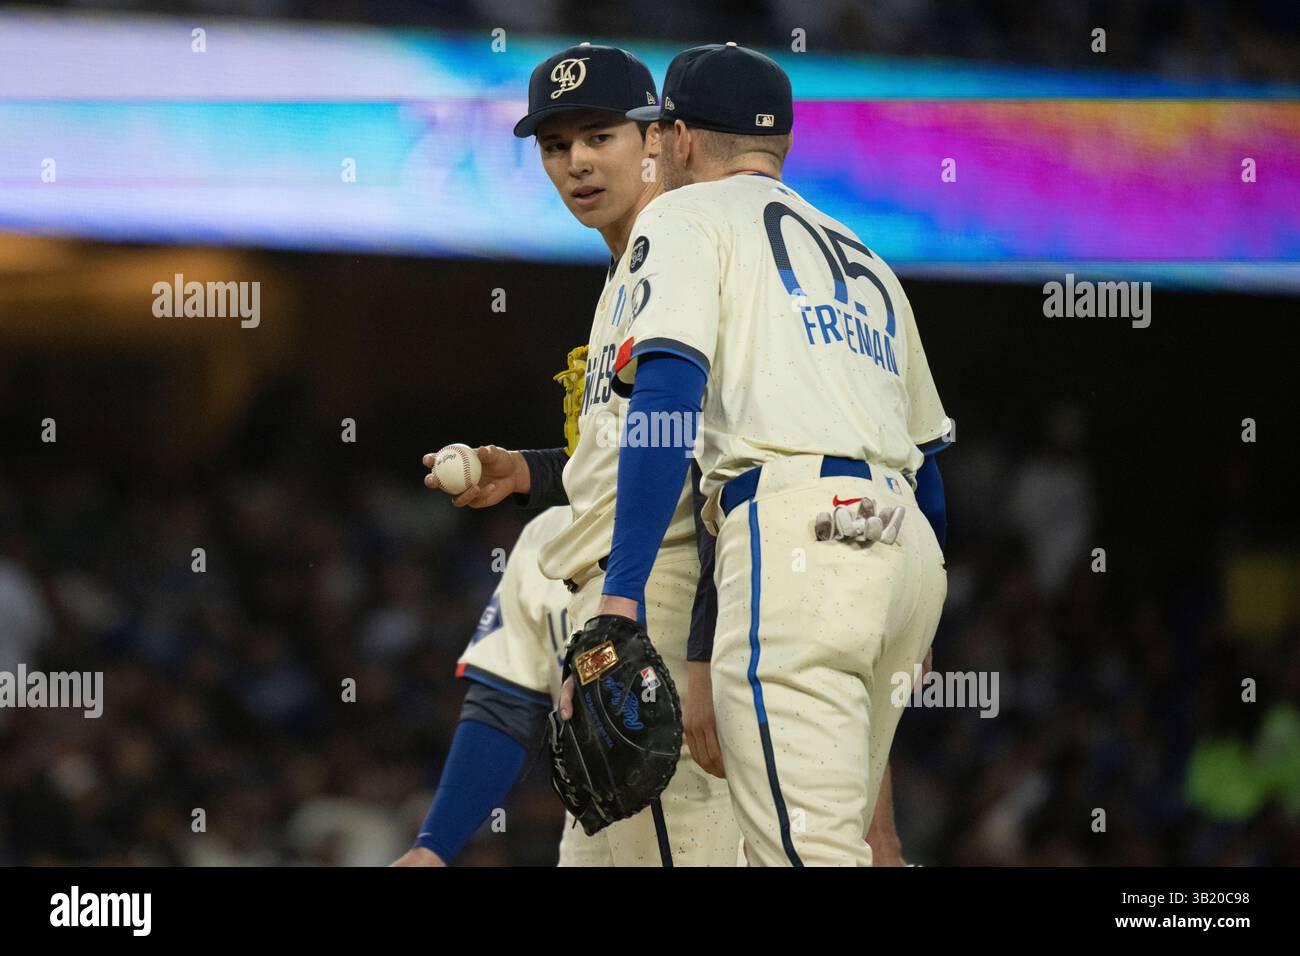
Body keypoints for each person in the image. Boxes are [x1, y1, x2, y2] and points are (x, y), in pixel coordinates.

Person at [580, 43, 951, 866]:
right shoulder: (865, 257)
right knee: (809, 840)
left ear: (678, 138)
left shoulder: (683, 215)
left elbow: (666, 397)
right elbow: (928, 454)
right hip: (906, 554)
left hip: (797, 538)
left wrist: (622, 592)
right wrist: (917, 612)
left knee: (805, 854)